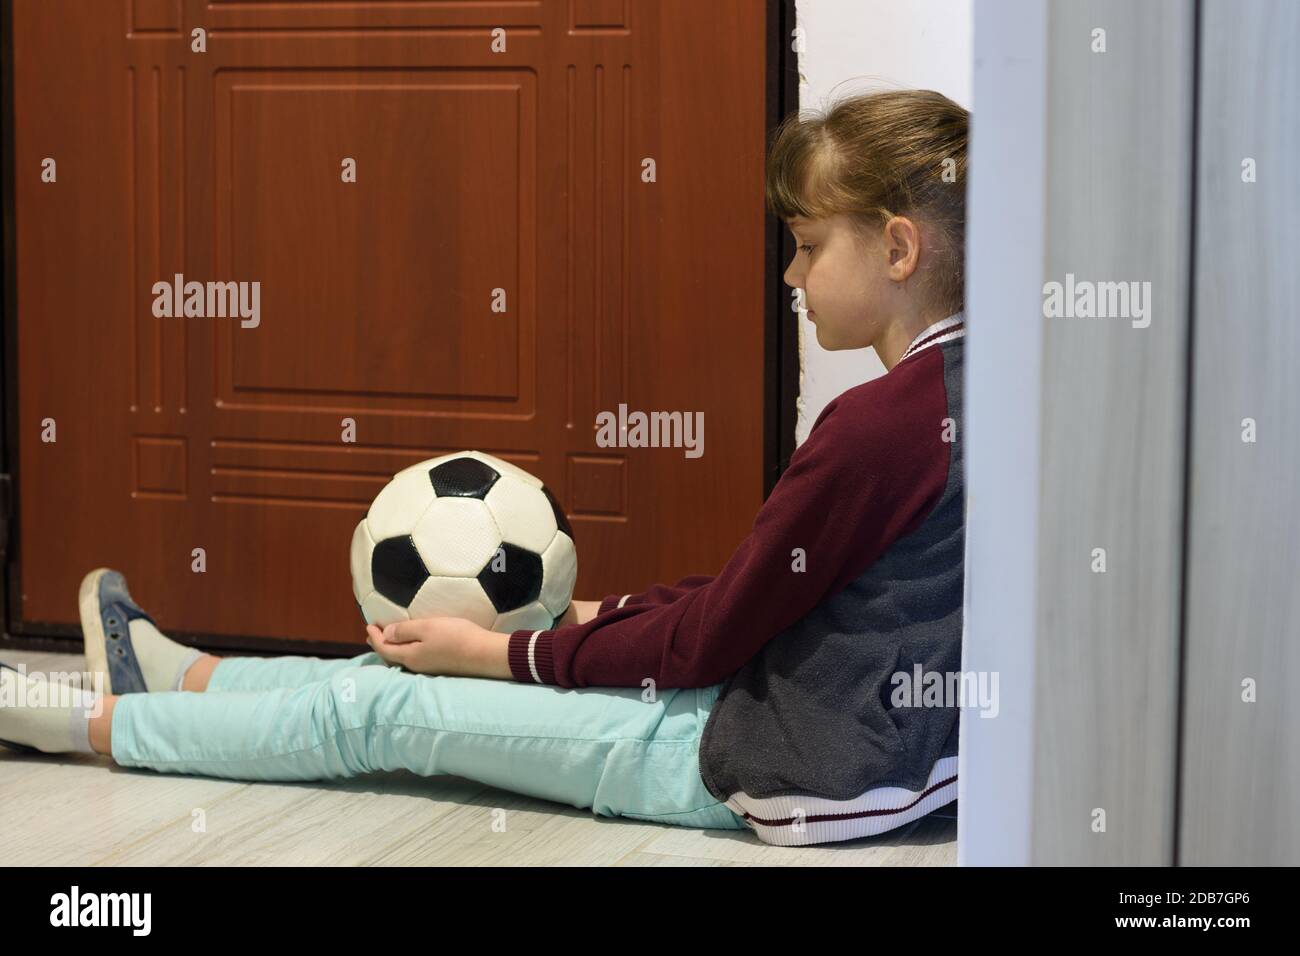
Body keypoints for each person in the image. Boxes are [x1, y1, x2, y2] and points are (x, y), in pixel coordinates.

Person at [0, 89, 969, 847]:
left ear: (895, 246)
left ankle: (64, 721)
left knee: (385, 708)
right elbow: (773, 596)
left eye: (804, 247)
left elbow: (719, 637)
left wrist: (512, 655)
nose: (791, 278)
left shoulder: (876, 424)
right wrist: (603, 615)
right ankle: (184, 674)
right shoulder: (979, 389)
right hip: (867, 745)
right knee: (441, 662)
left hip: (794, 768)